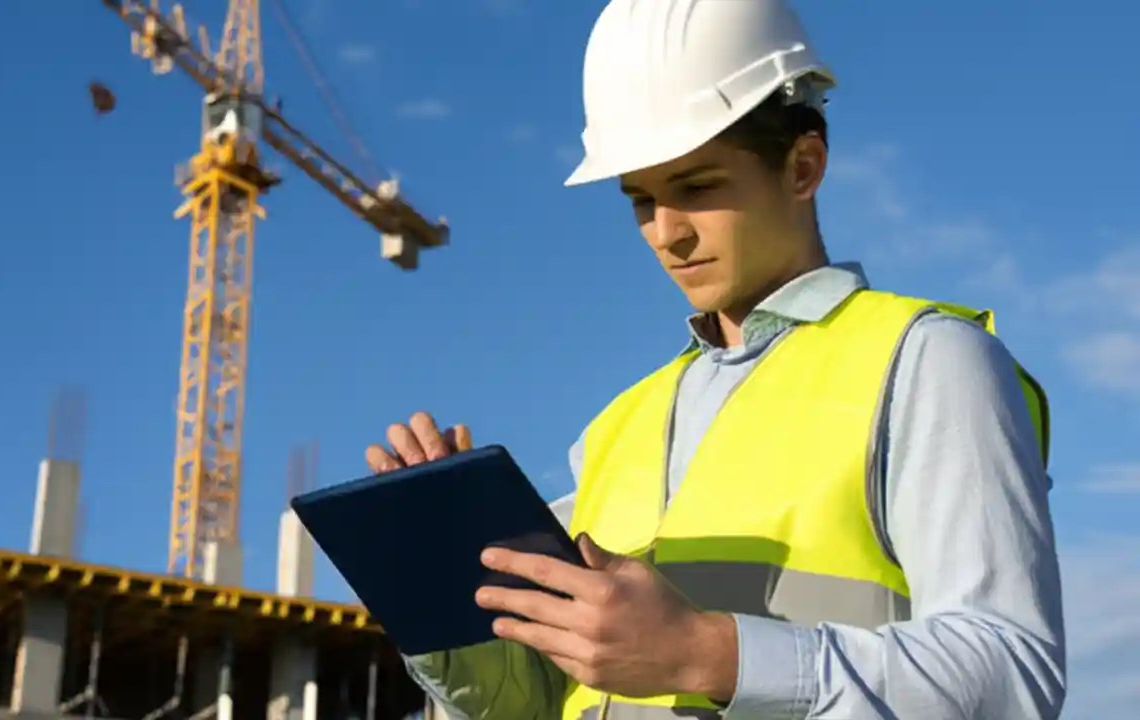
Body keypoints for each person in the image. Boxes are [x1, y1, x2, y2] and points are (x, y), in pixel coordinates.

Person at [364, 1, 1066, 717]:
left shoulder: (928, 363)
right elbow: (539, 703)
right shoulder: (614, 433)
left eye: (698, 189)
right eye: (640, 199)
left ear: (803, 166)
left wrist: (704, 653)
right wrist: (446, 603)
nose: (666, 234)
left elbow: (1011, 676)